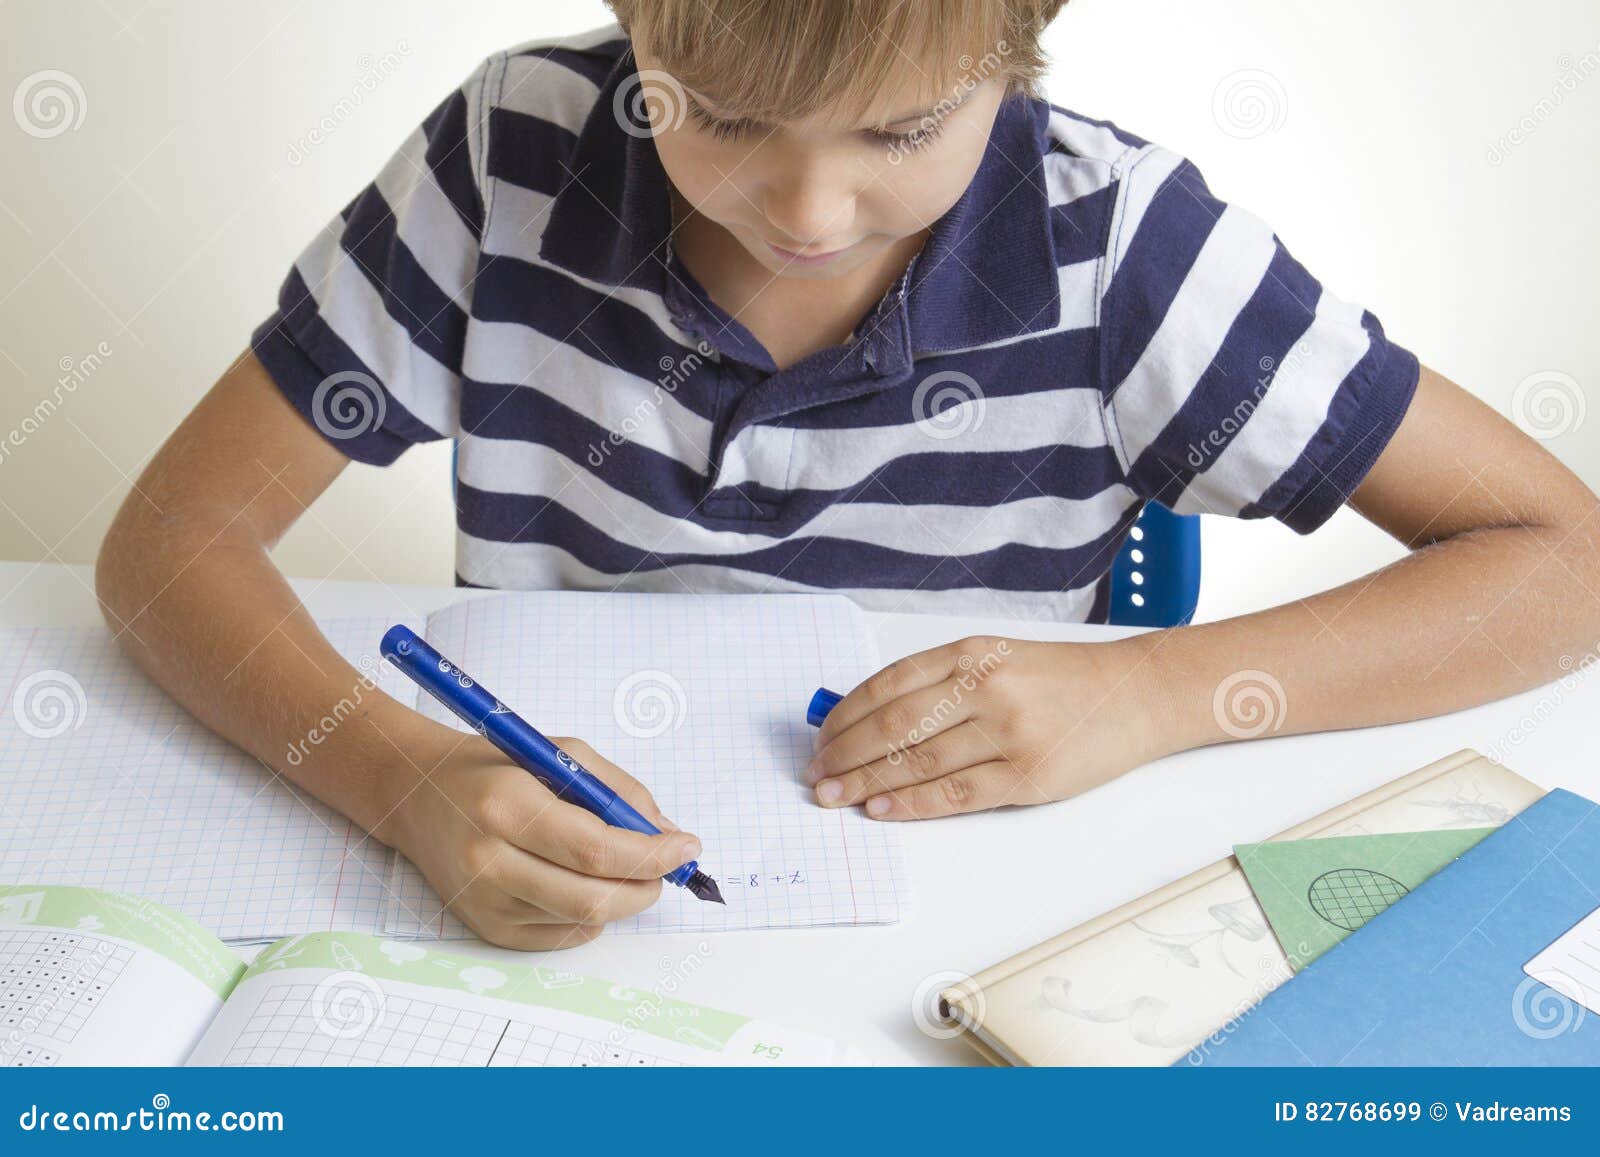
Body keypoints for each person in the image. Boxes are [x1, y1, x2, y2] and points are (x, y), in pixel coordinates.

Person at [97, 1, 1600, 948]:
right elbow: (171, 543)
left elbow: (1562, 557)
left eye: (901, 128)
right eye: (723, 113)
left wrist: (1153, 692)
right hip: (570, 926)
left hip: (965, 929)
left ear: (1024, 33)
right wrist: (403, 776)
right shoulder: (510, 162)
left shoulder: (1119, 247)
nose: (807, 208)